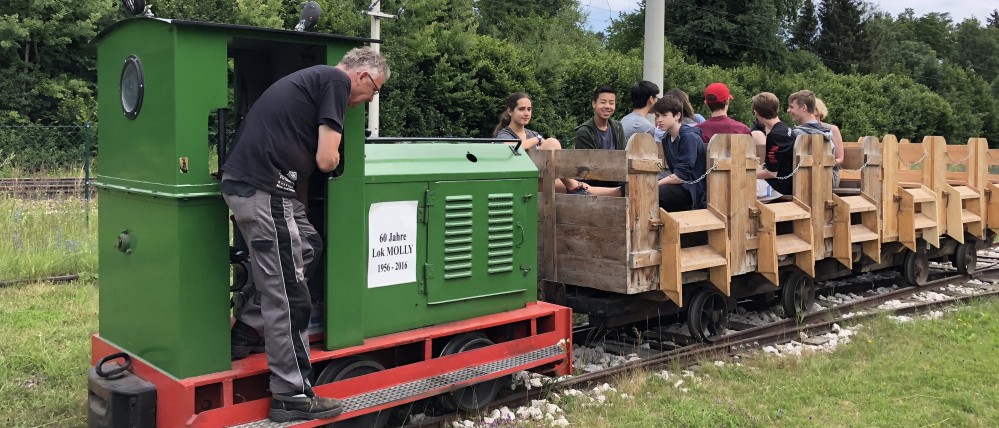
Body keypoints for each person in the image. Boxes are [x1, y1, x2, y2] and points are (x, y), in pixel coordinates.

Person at [220, 47, 389, 423]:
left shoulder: (313, 81)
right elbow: (326, 159)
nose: (367, 101)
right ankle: (291, 395)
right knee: (291, 296)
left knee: (309, 245)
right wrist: (340, 157)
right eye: (374, 91)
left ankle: (247, 327)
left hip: (268, 189)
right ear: (362, 75)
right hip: (264, 190)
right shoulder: (333, 80)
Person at [494, 92, 622, 196]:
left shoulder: (532, 133)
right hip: (519, 182)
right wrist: (539, 139)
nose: (526, 113)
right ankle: (575, 187)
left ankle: (618, 192)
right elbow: (512, 147)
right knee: (552, 143)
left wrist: (537, 139)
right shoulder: (504, 134)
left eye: (529, 109)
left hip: (541, 179)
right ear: (510, 111)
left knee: (576, 185)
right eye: (521, 109)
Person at [651, 96, 707, 211]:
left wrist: (655, 184)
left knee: (652, 192)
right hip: (679, 186)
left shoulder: (689, 137)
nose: (659, 120)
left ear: (677, 116)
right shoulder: (666, 138)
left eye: (664, 115)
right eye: (657, 116)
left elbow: (681, 176)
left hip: (693, 189)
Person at [786, 90, 837, 188]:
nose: (788, 110)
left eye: (791, 107)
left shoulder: (796, 134)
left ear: (804, 107)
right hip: (825, 183)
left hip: (802, 185)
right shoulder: (827, 134)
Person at [751, 92, 795, 200]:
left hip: (777, 188)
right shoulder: (786, 129)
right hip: (787, 184)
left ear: (756, 112)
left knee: (738, 187)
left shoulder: (775, 136)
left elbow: (771, 173)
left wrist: (748, 175)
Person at [574, 85, 626, 151]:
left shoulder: (618, 127)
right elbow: (588, 160)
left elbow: (622, 155)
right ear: (594, 104)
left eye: (611, 103)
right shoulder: (584, 132)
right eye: (603, 102)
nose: (607, 106)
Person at [815, 98, 845, 187]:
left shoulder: (832, 129)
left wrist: (824, 164)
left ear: (818, 111)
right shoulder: (799, 130)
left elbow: (840, 158)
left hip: (829, 172)